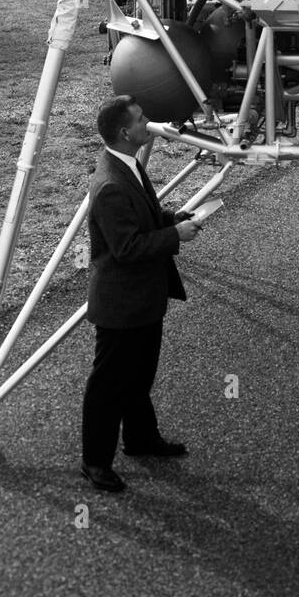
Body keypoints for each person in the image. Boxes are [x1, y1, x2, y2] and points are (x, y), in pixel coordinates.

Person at [81, 94, 203, 492]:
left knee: (138, 378)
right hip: (121, 305)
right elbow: (127, 248)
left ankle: (140, 439)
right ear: (124, 131)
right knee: (108, 386)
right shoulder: (111, 185)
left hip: (141, 301)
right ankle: (95, 463)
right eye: (141, 119)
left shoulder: (127, 165)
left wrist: (171, 219)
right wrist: (174, 236)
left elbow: (142, 220)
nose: (147, 123)